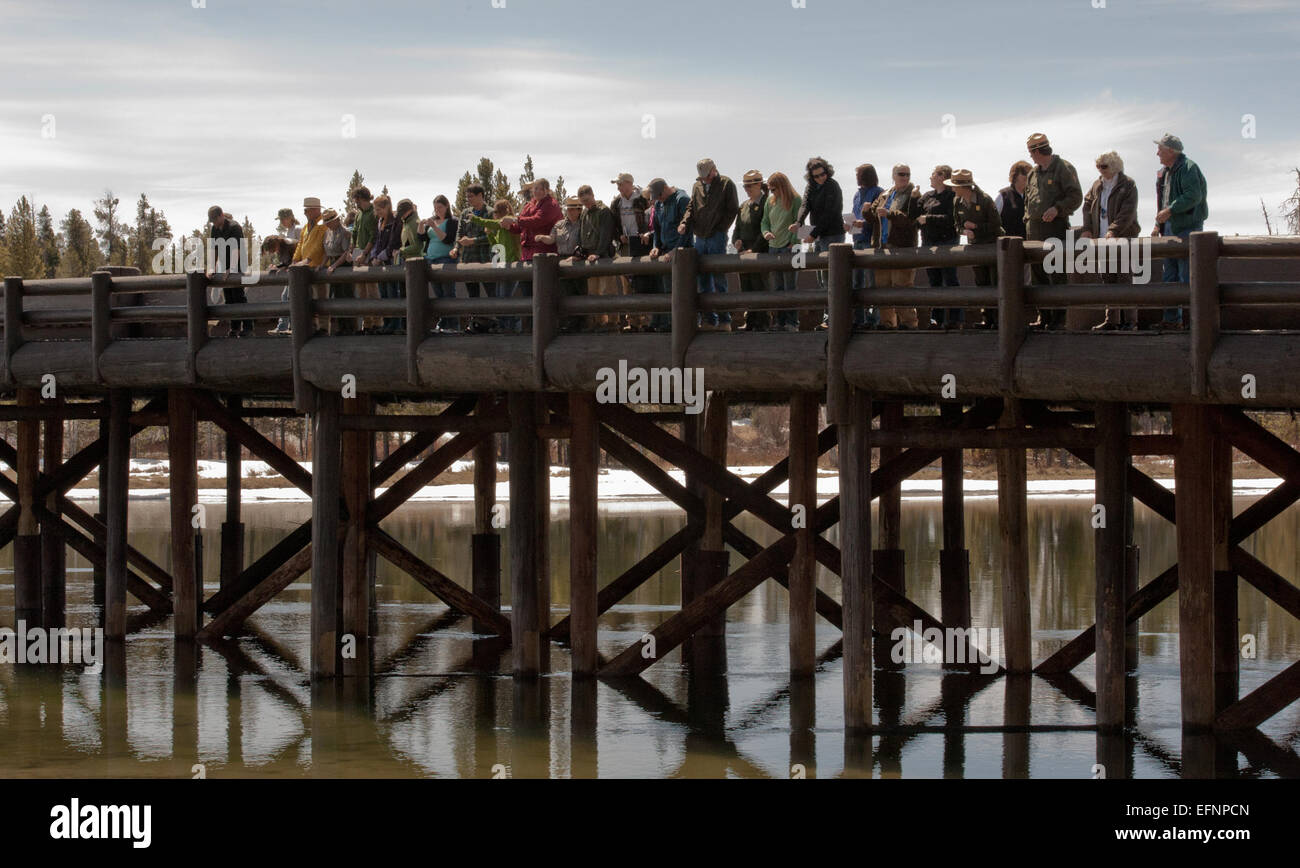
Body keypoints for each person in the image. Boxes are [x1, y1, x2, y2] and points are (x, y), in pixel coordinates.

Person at [1023, 132, 1083, 329]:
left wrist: (1057, 208)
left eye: (1031, 152)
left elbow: (1075, 196)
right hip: (1034, 232)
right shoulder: (1032, 173)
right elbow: (1028, 201)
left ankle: (1058, 320)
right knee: (1038, 275)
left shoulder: (1063, 168)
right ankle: (1045, 317)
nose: (1030, 156)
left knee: (1056, 274)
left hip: (1055, 229)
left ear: (1038, 150)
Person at [1152, 133, 1207, 330]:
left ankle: (1192, 322)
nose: (1157, 152)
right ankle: (1172, 320)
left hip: (1187, 227)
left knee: (1186, 275)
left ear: (1171, 151)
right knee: (1169, 275)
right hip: (1169, 228)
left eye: (1160, 148)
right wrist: (1158, 224)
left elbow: (1194, 196)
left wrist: (1171, 210)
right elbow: (1163, 202)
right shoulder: (1164, 172)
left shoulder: (1188, 168)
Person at [1082, 151, 1141, 331]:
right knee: (1107, 278)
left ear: (1115, 166)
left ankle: (1130, 321)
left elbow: (1128, 212)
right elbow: (1086, 206)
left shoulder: (1128, 184)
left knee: (1124, 278)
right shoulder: (1096, 185)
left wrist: (1113, 230)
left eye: (1104, 166)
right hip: (1102, 238)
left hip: (1122, 237)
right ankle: (1112, 320)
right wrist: (1087, 229)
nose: (1101, 170)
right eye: (1099, 166)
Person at [679, 158, 740, 331]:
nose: (705, 179)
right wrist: (685, 222)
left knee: (719, 277)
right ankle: (709, 320)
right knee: (702, 279)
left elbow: (732, 209)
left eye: (707, 175)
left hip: (716, 237)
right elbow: (692, 206)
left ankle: (724, 320)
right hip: (700, 236)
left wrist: (721, 229)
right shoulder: (696, 186)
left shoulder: (726, 184)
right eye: (702, 176)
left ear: (714, 170)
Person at [863, 165, 922, 329]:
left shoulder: (914, 194)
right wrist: (866, 212)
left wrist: (890, 214)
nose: (905, 177)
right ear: (893, 175)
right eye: (901, 174)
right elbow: (873, 217)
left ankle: (909, 323)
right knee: (883, 288)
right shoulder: (885, 194)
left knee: (901, 287)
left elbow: (912, 219)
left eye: (907, 174)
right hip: (882, 247)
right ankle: (887, 323)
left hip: (902, 248)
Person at [503, 177, 562, 335]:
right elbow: (521, 228)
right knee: (527, 292)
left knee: (543, 293)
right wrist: (509, 226)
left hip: (544, 255)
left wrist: (515, 219)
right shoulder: (529, 205)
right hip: (527, 256)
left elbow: (538, 221)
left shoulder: (552, 205)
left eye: (537, 188)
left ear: (546, 190)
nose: (534, 192)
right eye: (533, 189)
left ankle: (546, 328)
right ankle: (529, 328)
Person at [792, 156, 844, 329]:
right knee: (822, 279)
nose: (820, 178)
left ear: (827, 172)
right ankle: (828, 318)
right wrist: (799, 222)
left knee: (833, 278)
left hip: (833, 235)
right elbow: (805, 205)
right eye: (816, 176)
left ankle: (834, 319)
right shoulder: (811, 186)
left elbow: (830, 213)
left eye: (823, 174)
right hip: (818, 236)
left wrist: (813, 234)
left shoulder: (832, 186)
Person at [947, 169, 1003, 329]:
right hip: (975, 249)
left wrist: (976, 227)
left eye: (955, 186)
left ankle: (999, 320)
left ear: (963, 186)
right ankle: (988, 319)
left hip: (991, 247)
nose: (952, 189)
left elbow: (996, 225)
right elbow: (957, 225)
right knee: (981, 283)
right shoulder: (957, 202)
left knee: (994, 283)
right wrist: (964, 231)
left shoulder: (985, 200)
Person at [468, 200, 523, 333]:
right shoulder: (501, 229)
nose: (494, 215)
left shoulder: (507, 222)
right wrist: (490, 235)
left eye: (495, 213)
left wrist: (475, 219)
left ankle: (512, 326)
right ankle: (504, 325)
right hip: (500, 263)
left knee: (505, 297)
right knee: (500, 296)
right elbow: (496, 246)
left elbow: (491, 223)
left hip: (510, 264)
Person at [645, 177, 692, 332]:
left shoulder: (682, 199)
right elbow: (657, 229)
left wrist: (675, 250)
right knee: (665, 290)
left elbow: (687, 230)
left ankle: (680, 325)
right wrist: (656, 246)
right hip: (665, 253)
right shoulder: (658, 204)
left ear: (665, 189)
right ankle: (667, 324)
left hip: (682, 253)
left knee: (680, 291)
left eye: (659, 195)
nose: (658, 199)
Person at [918, 165, 960, 328]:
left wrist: (929, 219)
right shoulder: (927, 196)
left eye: (933, 174)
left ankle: (955, 319)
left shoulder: (952, 196)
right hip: (929, 242)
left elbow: (951, 219)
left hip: (947, 242)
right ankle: (937, 320)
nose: (930, 177)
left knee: (950, 279)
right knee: (934, 281)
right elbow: (916, 214)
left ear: (942, 177)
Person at [610, 173, 653, 332]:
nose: (618, 187)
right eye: (618, 184)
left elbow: (651, 221)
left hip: (642, 244)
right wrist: (618, 237)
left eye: (620, 184)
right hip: (626, 246)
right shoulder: (616, 203)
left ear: (629, 184)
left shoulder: (642, 200)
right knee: (627, 283)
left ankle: (648, 320)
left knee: (644, 281)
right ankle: (633, 321)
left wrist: (647, 236)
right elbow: (613, 225)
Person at [761, 171, 802, 331]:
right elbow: (764, 221)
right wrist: (766, 233)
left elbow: (799, 222)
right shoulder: (769, 201)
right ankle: (779, 321)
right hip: (773, 246)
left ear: (782, 187)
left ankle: (792, 322)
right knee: (776, 286)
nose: (772, 192)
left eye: (774, 189)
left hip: (793, 247)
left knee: (790, 286)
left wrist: (793, 242)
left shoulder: (796, 200)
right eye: (770, 189)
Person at [539, 197, 585, 332]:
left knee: (580, 291)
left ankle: (581, 323)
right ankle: (569, 323)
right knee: (565, 292)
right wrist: (542, 237)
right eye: (568, 209)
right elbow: (551, 239)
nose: (570, 212)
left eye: (573, 209)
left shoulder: (584, 223)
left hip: (578, 260)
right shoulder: (559, 224)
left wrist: (577, 256)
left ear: (579, 210)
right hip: (562, 261)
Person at [452, 184, 493, 333]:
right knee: (472, 293)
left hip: (486, 258)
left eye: (471, 196)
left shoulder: (490, 212)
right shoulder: (465, 213)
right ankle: (474, 323)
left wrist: (473, 241)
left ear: (480, 195)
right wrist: (456, 247)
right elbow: (459, 232)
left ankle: (495, 322)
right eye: (467, 196)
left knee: (491, 291)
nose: (469, 199)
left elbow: (491, 237)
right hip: (468, 259)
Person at [576, 185, 618, 332]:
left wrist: (599, 253)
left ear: (593, 195)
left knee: (608, 291)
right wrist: (580, 252)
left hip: (604, 256)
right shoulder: (584, 213)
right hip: (590, 257)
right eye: (583, 202)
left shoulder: (604, 211)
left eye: (587, 200)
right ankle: (599, 322)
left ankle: (612, 323)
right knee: (593, 292)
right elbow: (581, 234)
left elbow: (606, 235)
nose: (585, 203)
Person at [732, 170, 770, 331]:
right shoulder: (743, 206)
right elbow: (737, 228)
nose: (747, 189)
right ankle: (750, 320)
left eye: (750, 186)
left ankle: (762, 321)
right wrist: (736, 241)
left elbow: (765, 228)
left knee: (759, 286)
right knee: (746, 286)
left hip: (759, 251)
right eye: (745, 186)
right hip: (743, 252)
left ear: (759, 185)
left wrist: (753, 249)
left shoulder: (766, 203)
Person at [206, 205, 252, 337]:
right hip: (224, 266)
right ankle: (234, 328)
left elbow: (236, 249)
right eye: (212, 221)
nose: (214, 223)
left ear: (221, 215)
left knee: (239, 297)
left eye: (215, 219)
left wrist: (231, 268)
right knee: (229, 297)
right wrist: (212, 267)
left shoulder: (234, 227)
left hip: (238, 265)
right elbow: (214, 249)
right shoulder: (214, 228)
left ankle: (248, 327)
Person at [849, 164, 883, 330]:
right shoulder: (857, 194)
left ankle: (873, 320)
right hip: (856, 240)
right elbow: (854, 214)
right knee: (856, 282)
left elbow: (877, 217)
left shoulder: (878, 192)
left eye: (858, 174)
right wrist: (850, 226)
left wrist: (864, 223)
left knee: (872, 282)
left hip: (870, 241)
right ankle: (859, 319)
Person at [420, 195, 459, 332]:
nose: (437, 210)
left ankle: (453, 324)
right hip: (431, 259)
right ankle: (443, 322)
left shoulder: (452, 221)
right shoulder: (433, 221)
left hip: (446, 259)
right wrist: (421, 225)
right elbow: (422, 237)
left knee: (448, 292)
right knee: (438, 293)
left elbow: (448, 240)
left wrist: (434, 227)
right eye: (435, 208)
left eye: (440, 207)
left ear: (446, 206)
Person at [291, 196, 328, 335]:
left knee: (321, 297)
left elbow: (320, 245)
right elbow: (300, 244)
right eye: (305, 211)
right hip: (305, 268)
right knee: (308, 298)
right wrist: (295, 259)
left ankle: (323, 327)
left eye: (308, 210)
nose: (306, 213)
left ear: (316, 210)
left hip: (317, 266)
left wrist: (307, 259)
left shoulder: (323, 225)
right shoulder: (306, 227)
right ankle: (312, 325)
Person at [370, 194, 404, 334]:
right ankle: (387, 322)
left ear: (387, 207)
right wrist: (374, 256)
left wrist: (381, 256)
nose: (377, 213)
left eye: (379, 210)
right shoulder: (380, 222)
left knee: (392, 293)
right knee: (383, 293)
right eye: (376, 210)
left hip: (390, 261)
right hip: (380, 261)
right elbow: (378, 241)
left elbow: (394, 242)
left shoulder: (395, 222)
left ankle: (395, 324)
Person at [349, 186, 381, 334]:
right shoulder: (358, 214)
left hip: (368, 254)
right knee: (361, 291)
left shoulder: (373, 213)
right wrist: (351, 250)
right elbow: (355, 232)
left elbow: (373, 236)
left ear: (361, 198)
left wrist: (365, 253)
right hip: (358, 253)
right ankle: (366, 323)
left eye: (356, 199)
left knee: (372, 290)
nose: (355, 202)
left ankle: (376, 322)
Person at [321, 209, 356, 334]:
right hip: (333, 264)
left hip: (343, 264)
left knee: (346, 295)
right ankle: (342, 327)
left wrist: (334, 266)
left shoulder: (345, 232)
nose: (327, 224)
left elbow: (346, 252)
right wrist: (322, 265)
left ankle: (350, 327)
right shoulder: (327, 233)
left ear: (336, 220)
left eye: (329, 222)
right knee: (337, 296)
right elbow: (327, 252)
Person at [269, 207, 302, 334]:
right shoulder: (289, 232)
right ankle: (286, 326)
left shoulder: (297, 230)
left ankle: (287, 326)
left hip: (297, 269)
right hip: (292, 267)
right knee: (287, 296)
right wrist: (281, 265)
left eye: (283, 219)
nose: (282, 222)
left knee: (288, 296)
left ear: (290, 218)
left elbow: (299, 250)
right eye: (281, 219)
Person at [995, 162, 1030, 240]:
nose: (1027, 176)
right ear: (1015, 175)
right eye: (1024, 173)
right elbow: (993, 221)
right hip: (1008, 246)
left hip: (1029, 245)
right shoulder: (1003, 195)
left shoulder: (1032, 196)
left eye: (1030, 173)